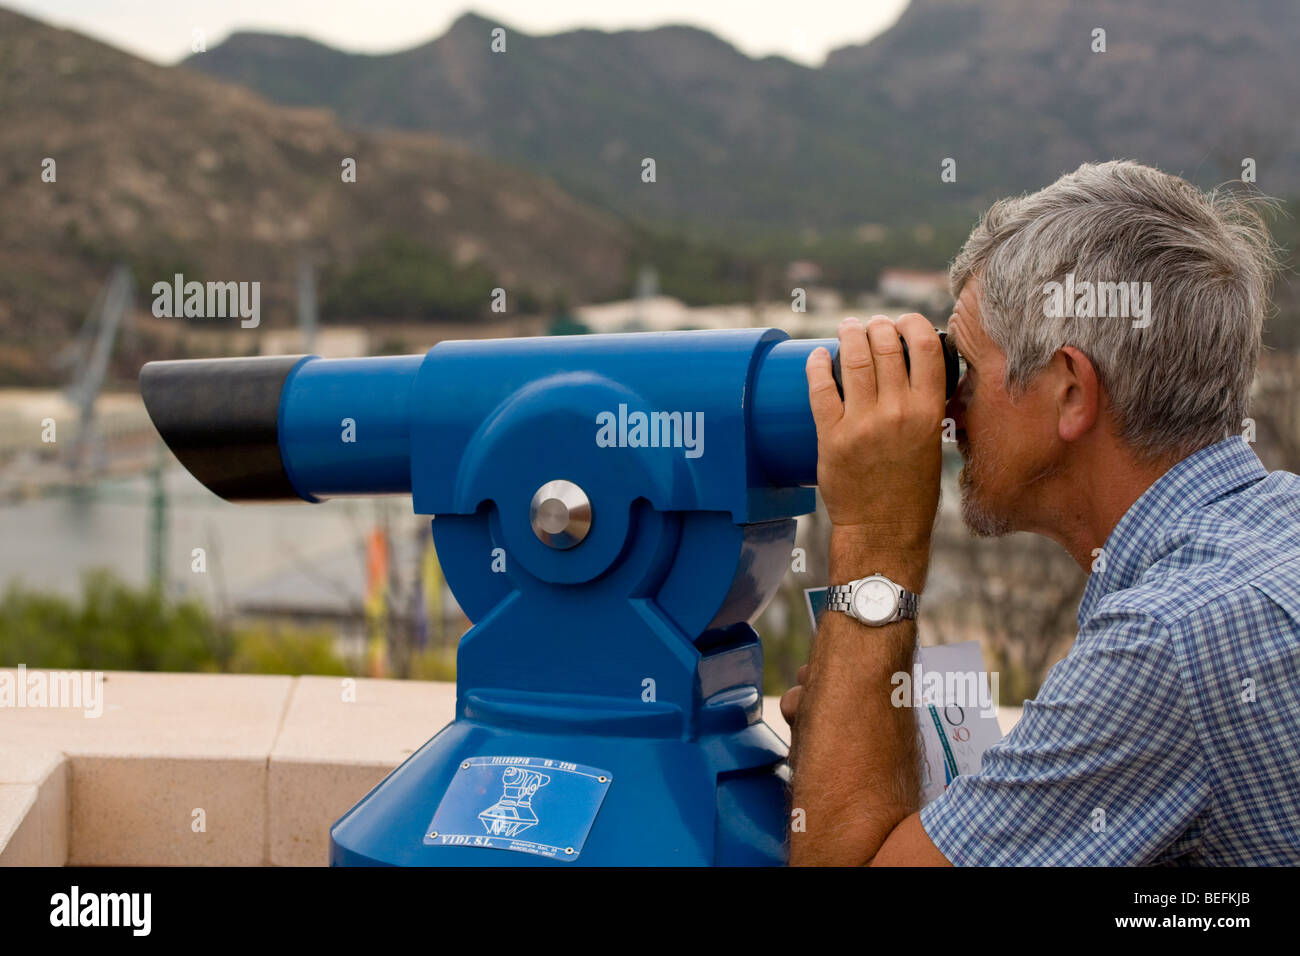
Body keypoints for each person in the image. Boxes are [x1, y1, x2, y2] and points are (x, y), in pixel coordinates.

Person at [783, 160, 1299, 866]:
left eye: (962, 365)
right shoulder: (1276, 528)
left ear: (1069, 391)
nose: (946, 408)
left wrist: (876, 539)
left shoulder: (1163, 646)